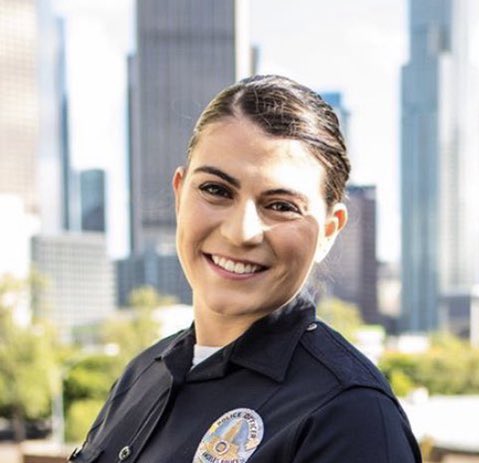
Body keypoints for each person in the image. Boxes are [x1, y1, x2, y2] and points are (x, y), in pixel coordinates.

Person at [69, 75, 422, 463]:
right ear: (179, 195)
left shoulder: (351, 417)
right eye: (216, 190)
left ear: (328, 231)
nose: (241, 233)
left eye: (281, 206)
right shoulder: (142, 374)